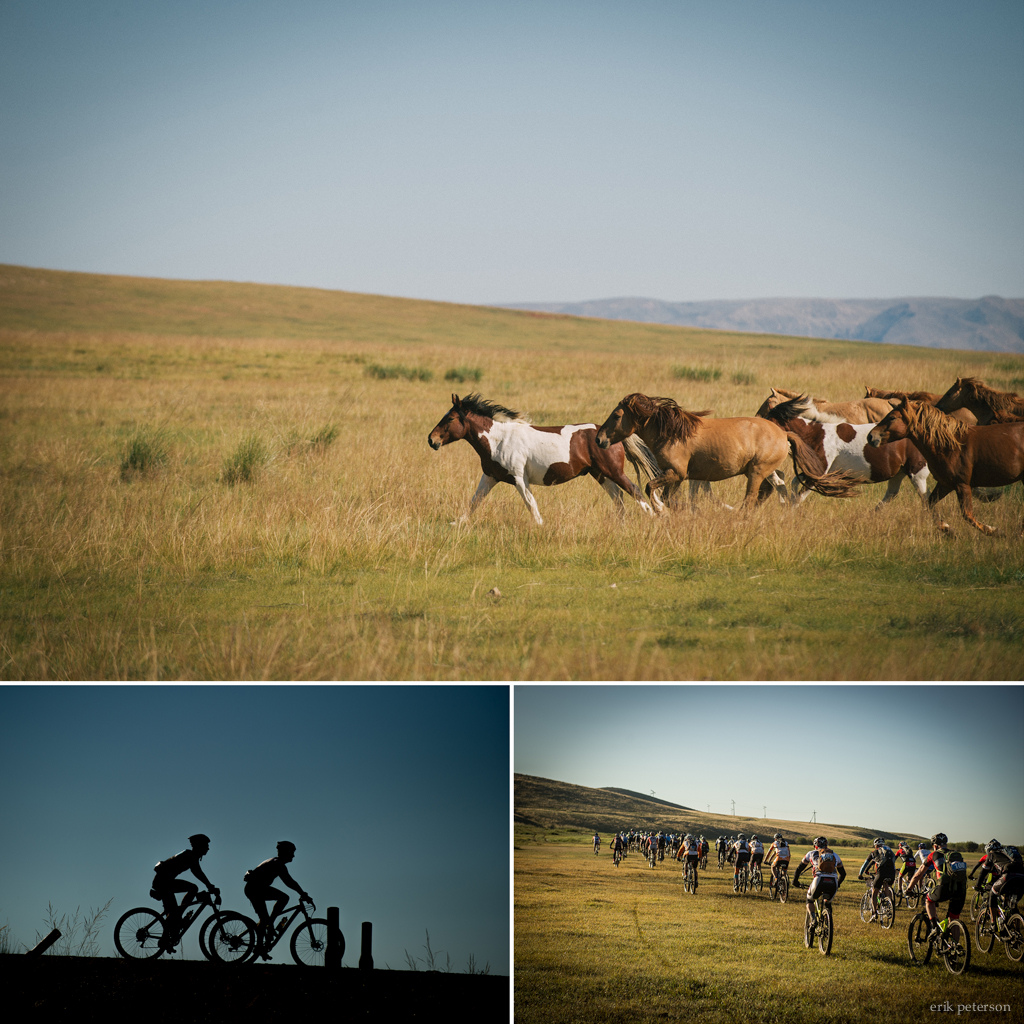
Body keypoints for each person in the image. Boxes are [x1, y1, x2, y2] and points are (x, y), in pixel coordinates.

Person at [151, 833, 219, 953]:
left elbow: (198, 872)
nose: (208, 848)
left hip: (164, 882)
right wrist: (210, 886)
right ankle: (177, 916)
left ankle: (167, 938)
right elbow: (198, 872)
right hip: (163, 883)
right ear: (199, 846)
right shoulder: (189, 856)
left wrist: (209, 886)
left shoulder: (192, 856)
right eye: (206, 845)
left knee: (174, 915)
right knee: (193, 889)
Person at [244, 841, 311, 959]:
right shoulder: (277, 863)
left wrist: (302, 893)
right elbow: (289, 882)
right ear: (286, 852)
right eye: (292, 852)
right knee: (281, 901)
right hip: (255, 889)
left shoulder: (275, 862)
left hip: (257, 889)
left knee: (265, 918)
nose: (293, 856)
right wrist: (303, 894)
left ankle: (262, 943)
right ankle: (269, 926)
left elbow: (289, 882)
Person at [905, 833, 966, 940]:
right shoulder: (956, 854)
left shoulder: (933, 855)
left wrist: (909, 889)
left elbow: (918, 874)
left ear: (935, 845)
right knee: (954, 919)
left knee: (928, 900)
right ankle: (955, 948)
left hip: (944, 888)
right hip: (960, 889)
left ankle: (934, 926)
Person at [793, 836, 846, 930]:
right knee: (828, 903)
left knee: (809, 900)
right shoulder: (835, 855)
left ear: (815, 845)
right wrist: (838, 884)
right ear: (826, 845)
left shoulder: (811, 854)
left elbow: (799, 869)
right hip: (833, 881)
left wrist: (795, 881)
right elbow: (843, 873)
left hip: (819, 879)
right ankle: (827, 923)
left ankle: (813, 919)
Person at [857, 838, 896, 922]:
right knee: (886, 887)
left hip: (881, 873)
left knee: (874, 893)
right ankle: (889, 906)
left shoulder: (873, 853)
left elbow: (865, 864)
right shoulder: (889, 852)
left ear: (875, 845)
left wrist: (860, 874)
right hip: (892, 873)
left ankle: (874, 913)